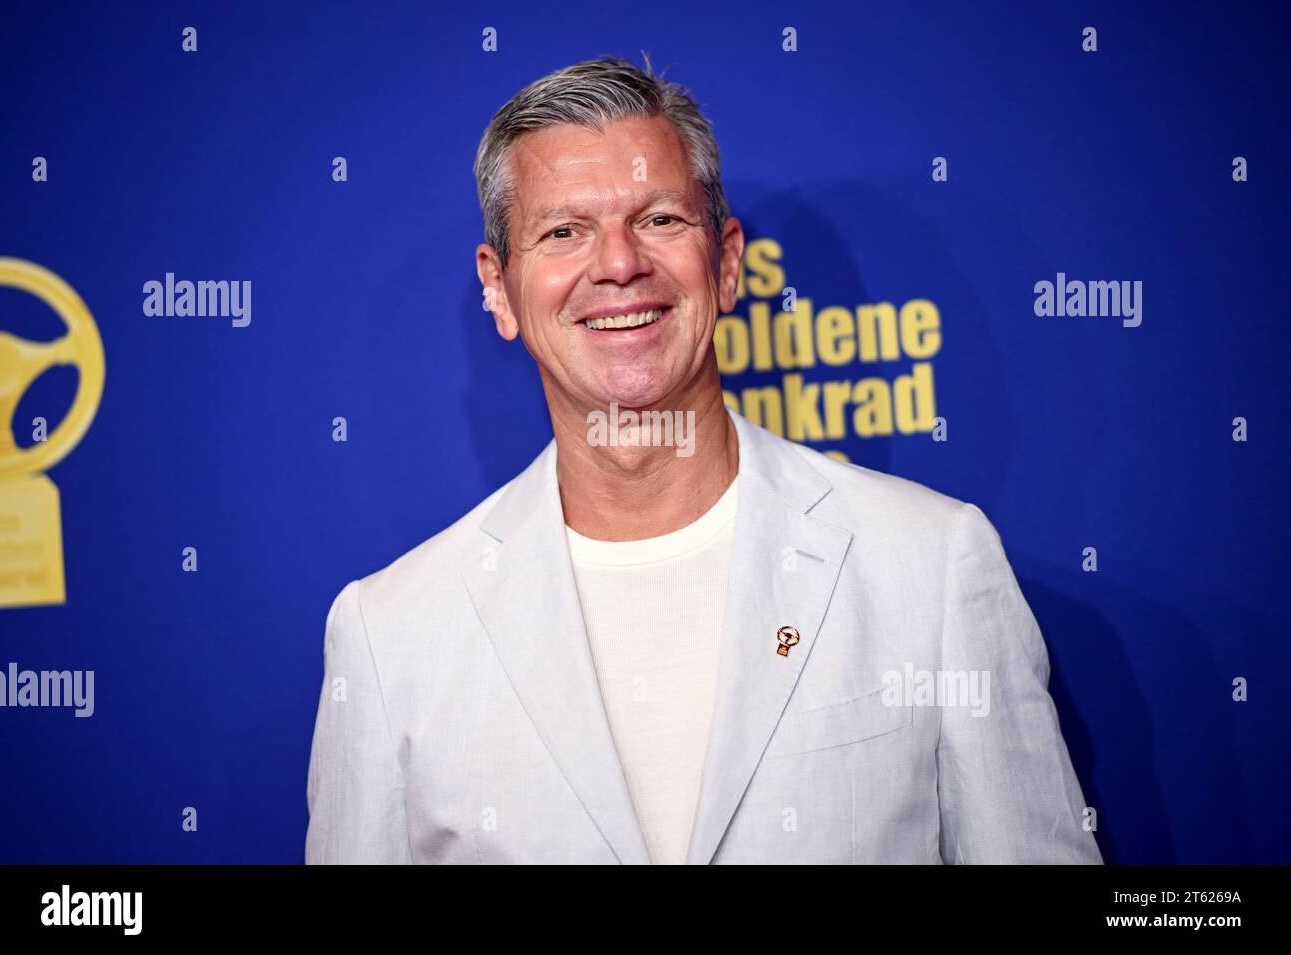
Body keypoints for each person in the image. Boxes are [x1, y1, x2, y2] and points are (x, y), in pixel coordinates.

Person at [304, 55, 1102, 864]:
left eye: (658, 219)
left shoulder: (930, 565)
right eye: (564, 232)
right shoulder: (389, 634)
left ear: (725, 264)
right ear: (500, 290)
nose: (619, 264)